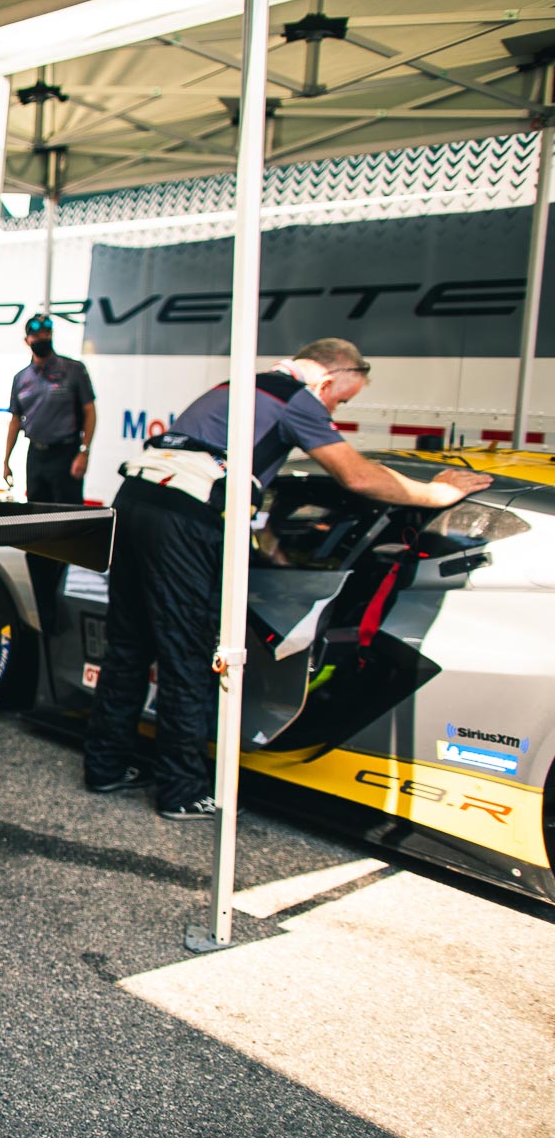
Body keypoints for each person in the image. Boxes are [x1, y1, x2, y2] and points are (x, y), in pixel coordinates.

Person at [83, 338, 492, 822]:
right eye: (341, 399)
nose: (334, 410)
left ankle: (106, 767)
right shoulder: (297, 397)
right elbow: (357, 478)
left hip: (132, 503)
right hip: (184, 518)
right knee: (186, 650)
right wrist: (435, 493)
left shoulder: (242, 386)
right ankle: (181, 790)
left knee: (129, 643)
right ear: (326, 379)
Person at [1, 312, 97, 633]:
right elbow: (16, 420)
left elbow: (89, 411)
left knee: (67, 526)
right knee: (36, 526)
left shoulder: (73, 371)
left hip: (66, 454)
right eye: (36, 336)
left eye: (47, 334)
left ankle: (60, 591)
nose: (42, 340)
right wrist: (6, 459)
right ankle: (42, 598)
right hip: (36, 455)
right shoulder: (22, 378)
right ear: (27, 340)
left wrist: (83, 451)